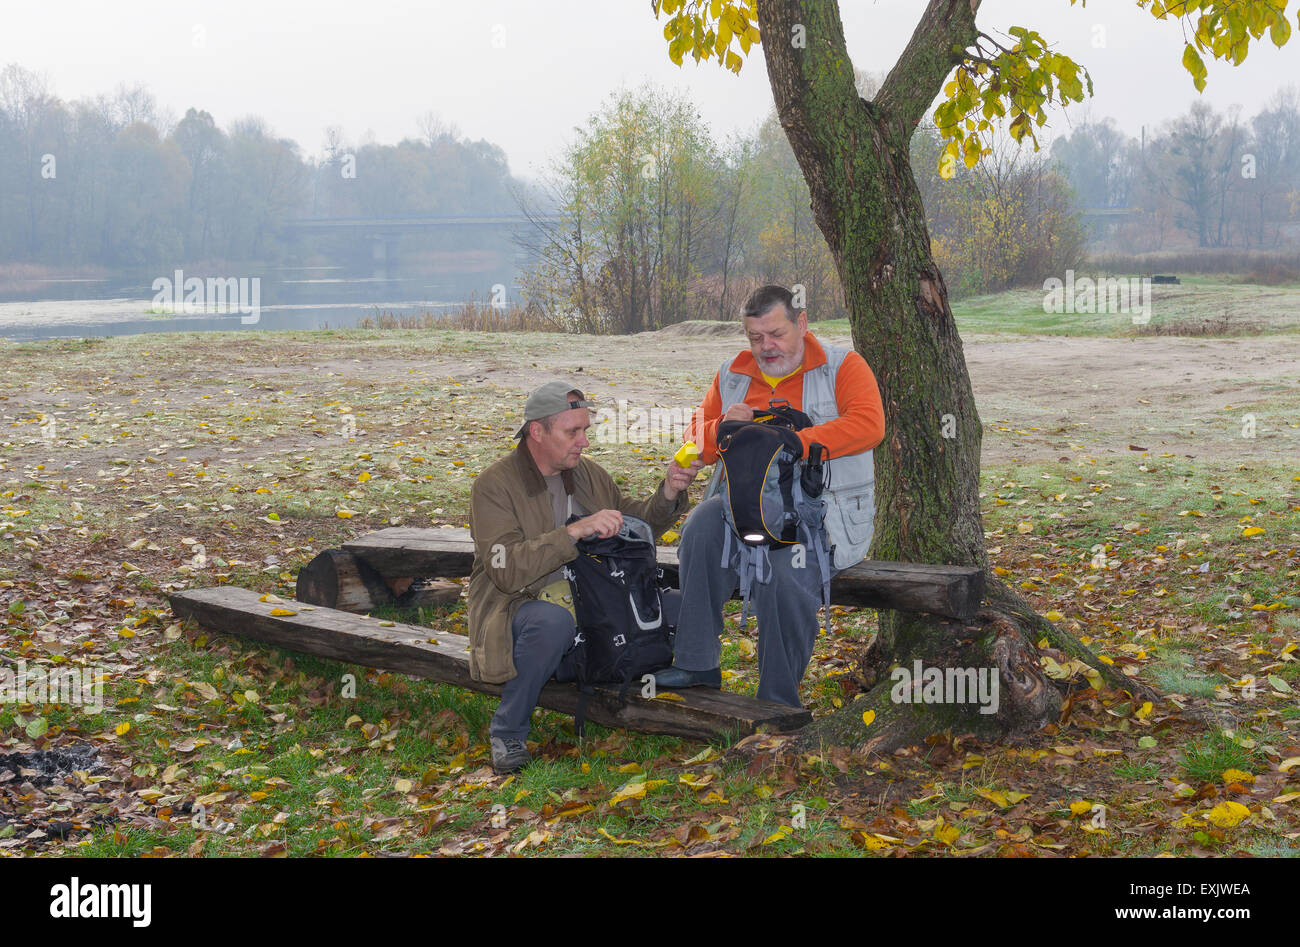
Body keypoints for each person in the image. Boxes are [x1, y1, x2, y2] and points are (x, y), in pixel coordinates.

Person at [652, 284, 886, 708]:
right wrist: (725, 425)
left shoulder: (842, 367)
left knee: (784, 567)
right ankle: (696, 662)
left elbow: (870, 425)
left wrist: (796, 440)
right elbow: (697, 438)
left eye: (776, 334)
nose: (766, 347)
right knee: (701, 526)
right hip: (746, 507)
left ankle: (777, 702)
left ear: (802, 323)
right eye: (755, 337)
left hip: (819, 515)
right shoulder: (733, 374)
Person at [468, 380, 701, 774]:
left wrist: (668, 493)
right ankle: (508, 731)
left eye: (585, 431)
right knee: (551, 623)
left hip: (596, 598)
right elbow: (506, 570)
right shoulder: (494, 486)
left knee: (681, 607)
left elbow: (633, 521)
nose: (584, 442)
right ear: (537, 431)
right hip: (516, 607)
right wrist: (573, 532)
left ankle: (671, 707)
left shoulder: (587, 473)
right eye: (572, 432)